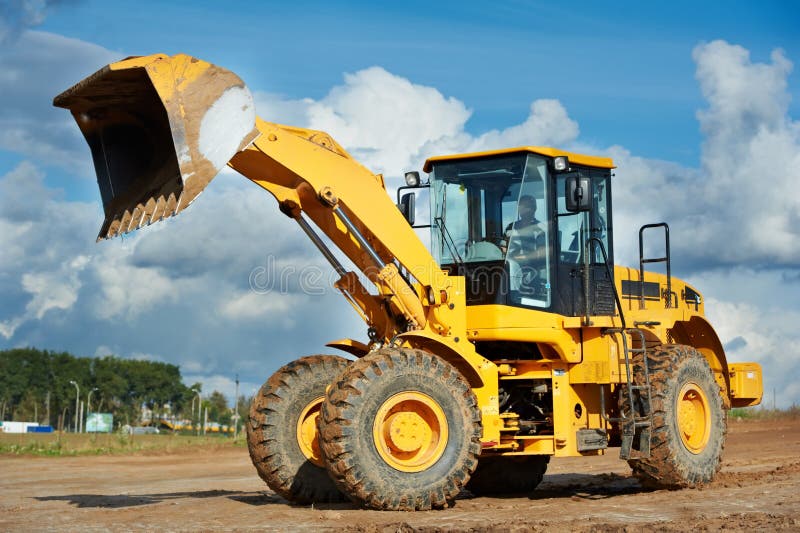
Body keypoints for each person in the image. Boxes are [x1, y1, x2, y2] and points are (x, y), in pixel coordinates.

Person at [504, 195, 546, 264]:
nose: (523, 209)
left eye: (527, 206)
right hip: (511, 269)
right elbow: (503, 248)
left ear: (534, 209)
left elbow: (541, 254)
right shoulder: (510, 227)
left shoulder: (540, 228)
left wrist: (520, 258)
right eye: (521, 206)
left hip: (534, 270)